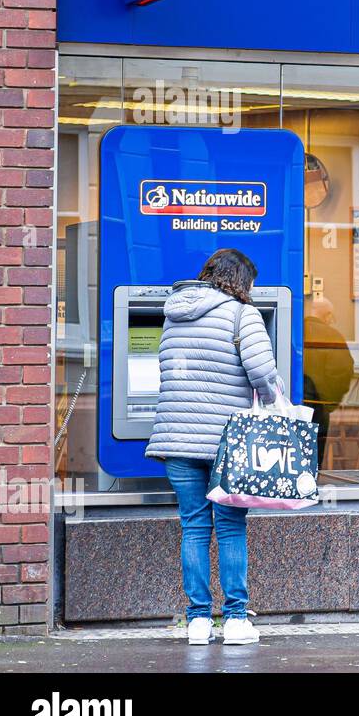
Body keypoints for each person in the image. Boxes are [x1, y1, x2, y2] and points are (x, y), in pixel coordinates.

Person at [144, 248, 283, 646]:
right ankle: (236, 620)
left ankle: (199, 622)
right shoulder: (243, 314)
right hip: (226, 441)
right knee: (231, 528)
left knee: (194, 527)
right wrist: (276, 396)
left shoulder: (173, 315)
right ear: (242, 281)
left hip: (177, 439)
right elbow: (262, 374)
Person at [302, 296, 354, 468]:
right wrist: (329, 404)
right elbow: (342, 373)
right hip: (318, 409)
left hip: (289, 405)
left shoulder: (294, 328)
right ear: (328, 315)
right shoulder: (333, 336)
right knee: (314, 457)